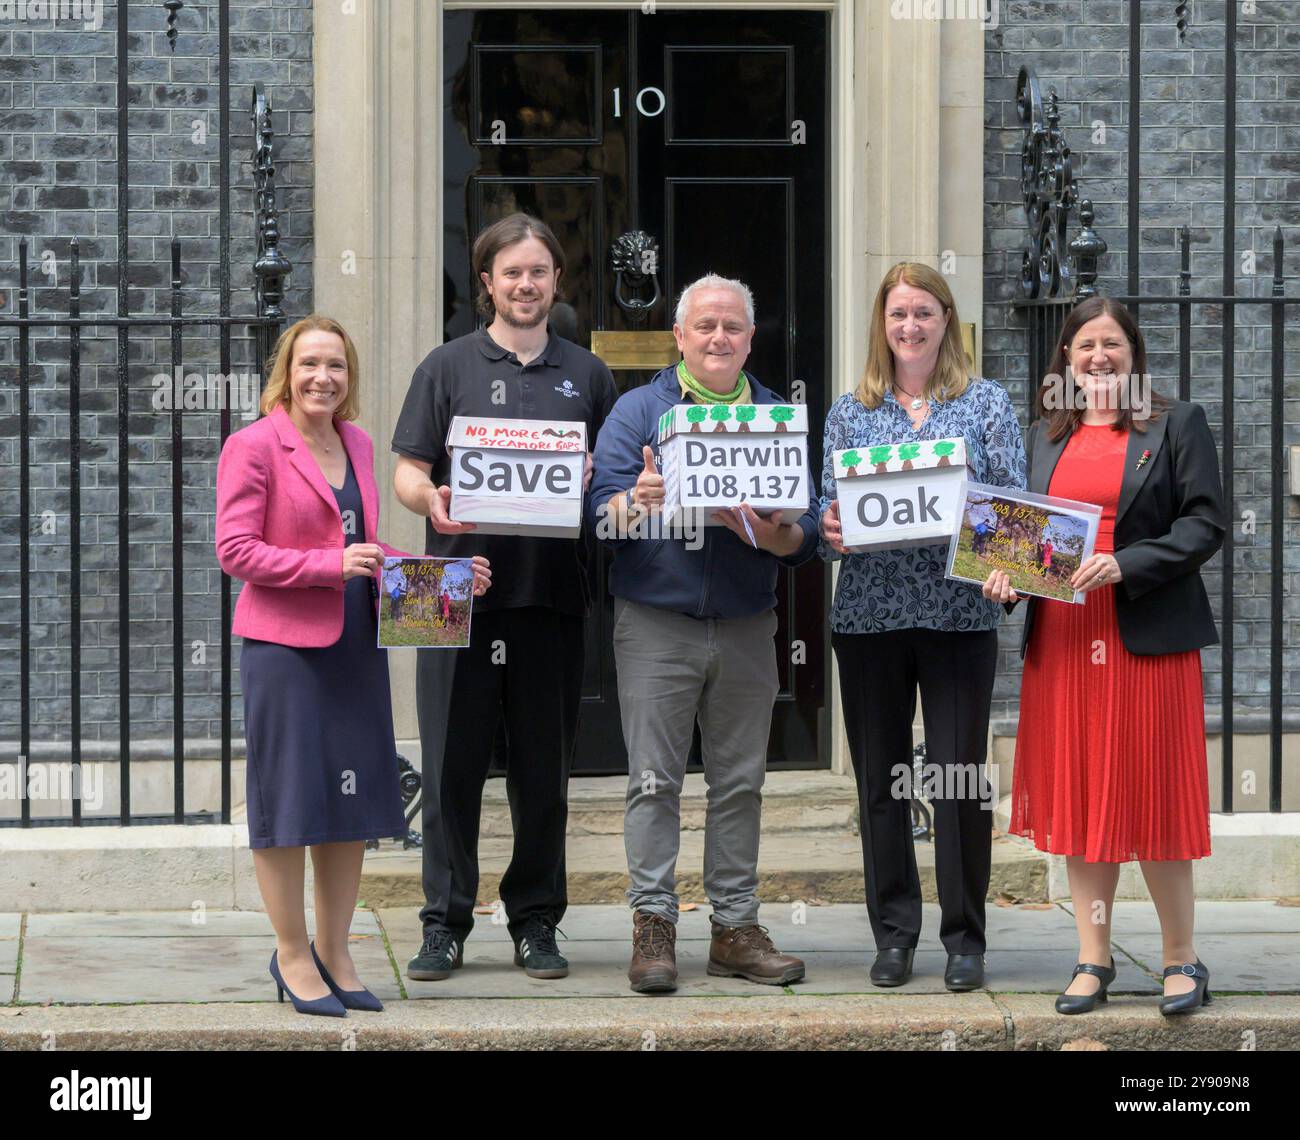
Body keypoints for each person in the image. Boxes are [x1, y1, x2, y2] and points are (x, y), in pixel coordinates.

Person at [215, 316, 491, 1017]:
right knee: (289, 803)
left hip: (354, 648)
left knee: (347, 804)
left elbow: (363, 549)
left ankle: (336, 952)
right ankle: (291, 954)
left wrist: (448, 578)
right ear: (287, 370)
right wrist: (326, 566)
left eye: (336, 366)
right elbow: (236, 551)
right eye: (310, 364)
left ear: (350, 376)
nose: (323, 378)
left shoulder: (358, 441)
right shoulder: (253, 445)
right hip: (285, 653)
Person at [983, 295, 1225, 1016]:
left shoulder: (1176, 423)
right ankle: (1093, 959)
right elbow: (1029, 542)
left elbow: (1206, 522)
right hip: (1061, 642)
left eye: (1111, 344)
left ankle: (1181, 958)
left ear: (1132, 352)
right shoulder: (1043, 438)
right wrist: (1005, 581)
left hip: (1144, 642)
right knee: (1082, 797)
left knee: (1151, 796)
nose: (1098, 357)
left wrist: (1129, 563)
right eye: (1085, 345)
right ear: (1066, 358)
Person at [391, 213, 617, 981]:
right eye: (512, 273)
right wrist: (432, 501)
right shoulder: (445, 365)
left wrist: (597, 481)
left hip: (550, 594)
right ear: (486, 282)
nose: (527, 285)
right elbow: (406, 472)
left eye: (540, 273)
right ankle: (442, 924)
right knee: (450, 768)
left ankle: (536, 922)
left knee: (542, 775)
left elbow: (612, 484)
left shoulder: (587, 374)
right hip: (445, 592)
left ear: (558, 282)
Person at [589, 274, 816, 994]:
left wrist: (776, 531)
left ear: (751, 338)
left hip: (749, 622)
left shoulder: (778, 415)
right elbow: (599, 521)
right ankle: (654, 926)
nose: (719, 338)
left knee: (741, 783)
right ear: (680, 337)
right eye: (705, 326)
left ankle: (736, 928)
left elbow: (805, 538)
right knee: (653, 781)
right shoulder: (638, 411)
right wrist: (637, 500)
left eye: (733, 327)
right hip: (657, 623)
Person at [820, 262, 1026, 992]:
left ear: (947, 320)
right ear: (882, 323)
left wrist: (1008, 571)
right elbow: (826, 517)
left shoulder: (988, 405)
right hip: (870, 619)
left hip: (959, 617)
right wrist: (831, 528)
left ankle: (965, 937)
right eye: (897, 314)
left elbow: (1011, 510)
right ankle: (895, 935)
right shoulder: (850, 411)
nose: (910, 326)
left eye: (924, 313)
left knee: (958, 780)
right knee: (880, 782)